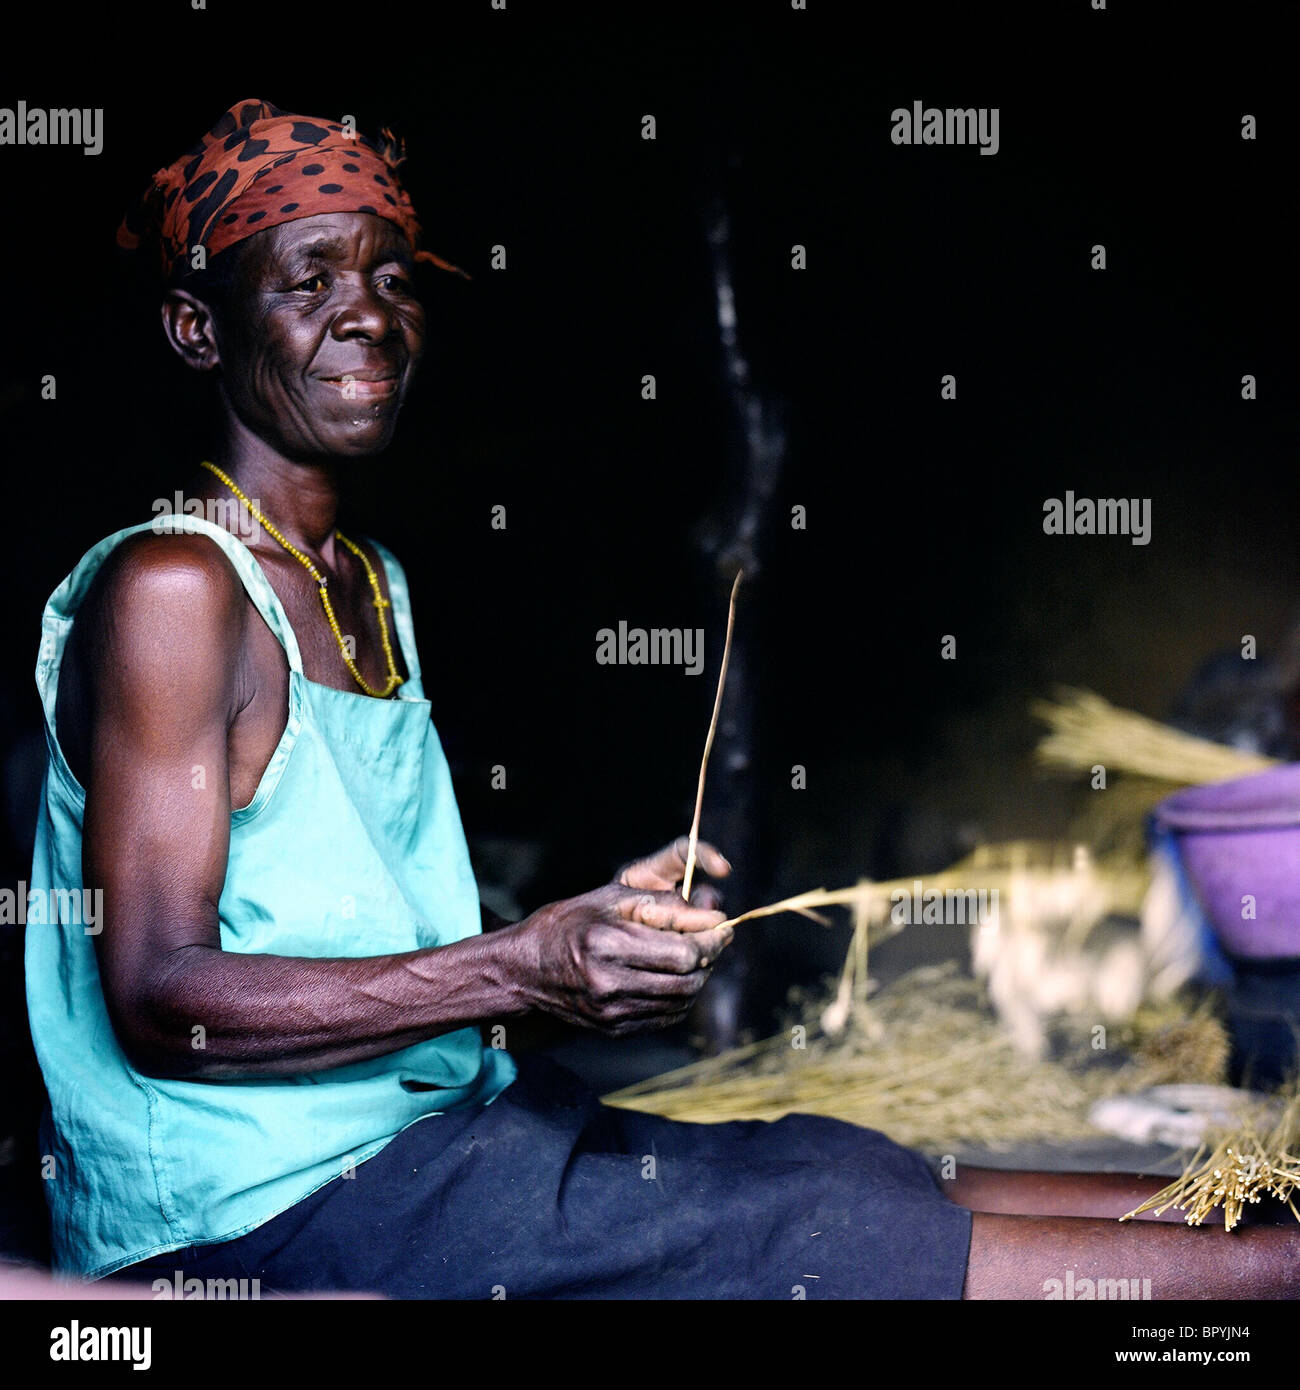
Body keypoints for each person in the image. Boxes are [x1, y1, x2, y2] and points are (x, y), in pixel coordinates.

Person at [24, 99, 1300, 1300]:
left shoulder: (369, 580)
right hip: (255, 1208)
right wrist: (522, 967)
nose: (366, 316)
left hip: (423, 1138)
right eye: (308, 281)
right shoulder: (177, 586)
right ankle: (1268, 1279)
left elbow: (339, 904)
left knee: (832, 1162)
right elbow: (159, 999)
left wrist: (584, 936)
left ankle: (1264, 1217)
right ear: (200, 328)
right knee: (810, 1237)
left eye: (390, 276)